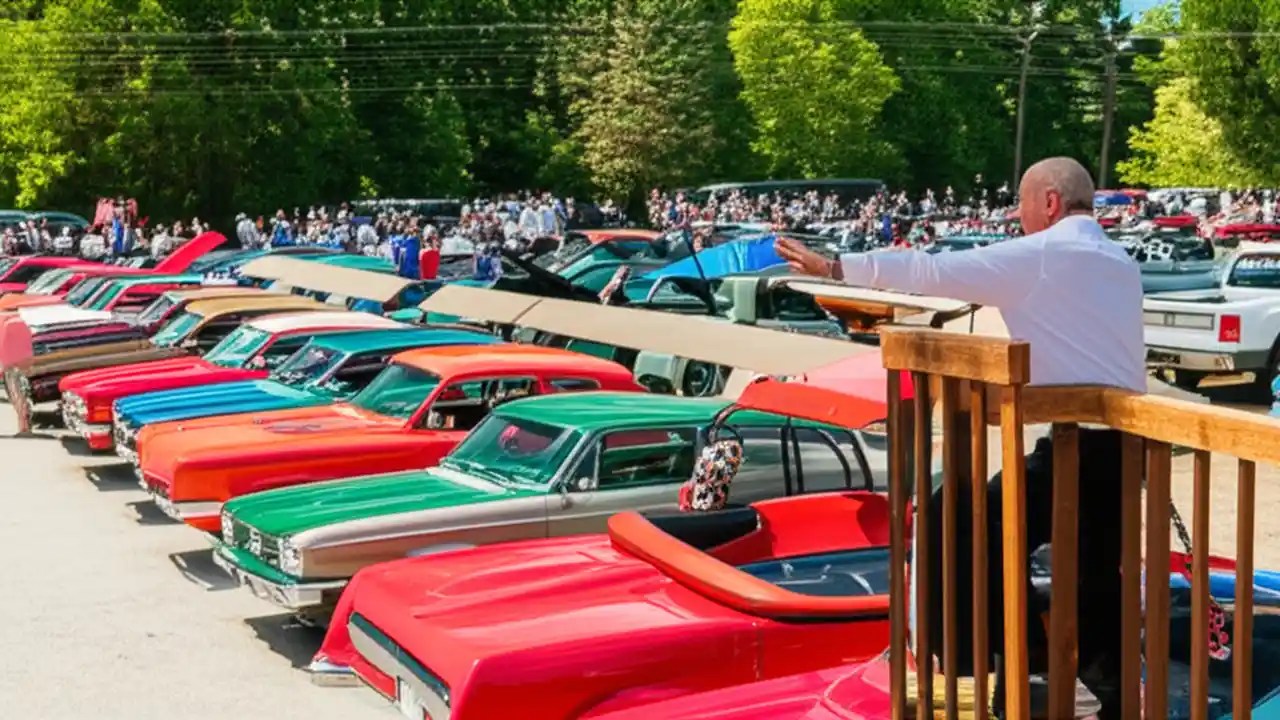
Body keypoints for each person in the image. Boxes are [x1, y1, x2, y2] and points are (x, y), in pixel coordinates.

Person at [776, 157, 1143, 719]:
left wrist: (834, 268)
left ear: (1048, 202)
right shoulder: (1119, 260)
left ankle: (982, 672)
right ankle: (1105, 692)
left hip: (1077, 443)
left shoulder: (1044, 255)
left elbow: (933, 272)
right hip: (1123, 446)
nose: (1015, 217)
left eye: (1021, 205)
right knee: (1092, 573)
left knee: (955, 519)